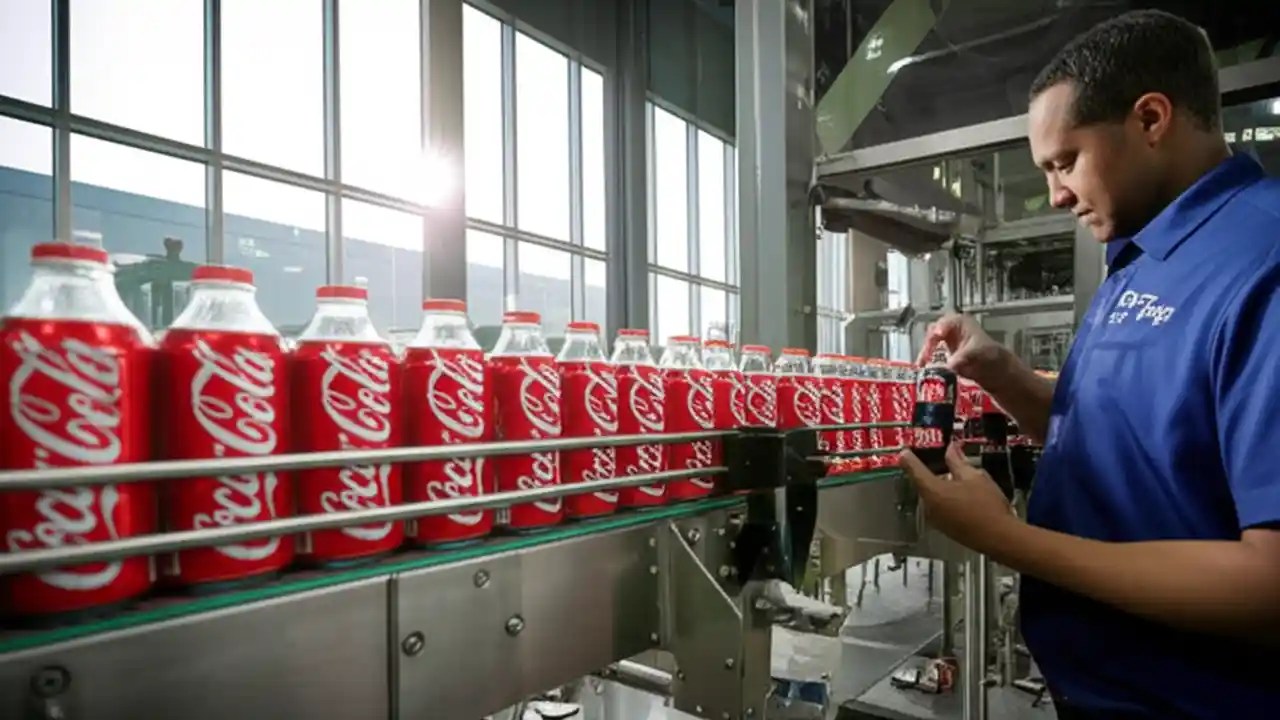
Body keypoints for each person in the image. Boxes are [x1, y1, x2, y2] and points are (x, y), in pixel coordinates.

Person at [899, 10, 1280, 720]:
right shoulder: (1139, 256)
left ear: (1151, 119)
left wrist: (1007, 539)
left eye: (1065, 161)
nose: (1055, 195)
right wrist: (1005, 375)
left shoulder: (1262, 264)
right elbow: (1130, 444)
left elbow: (1270, 584)